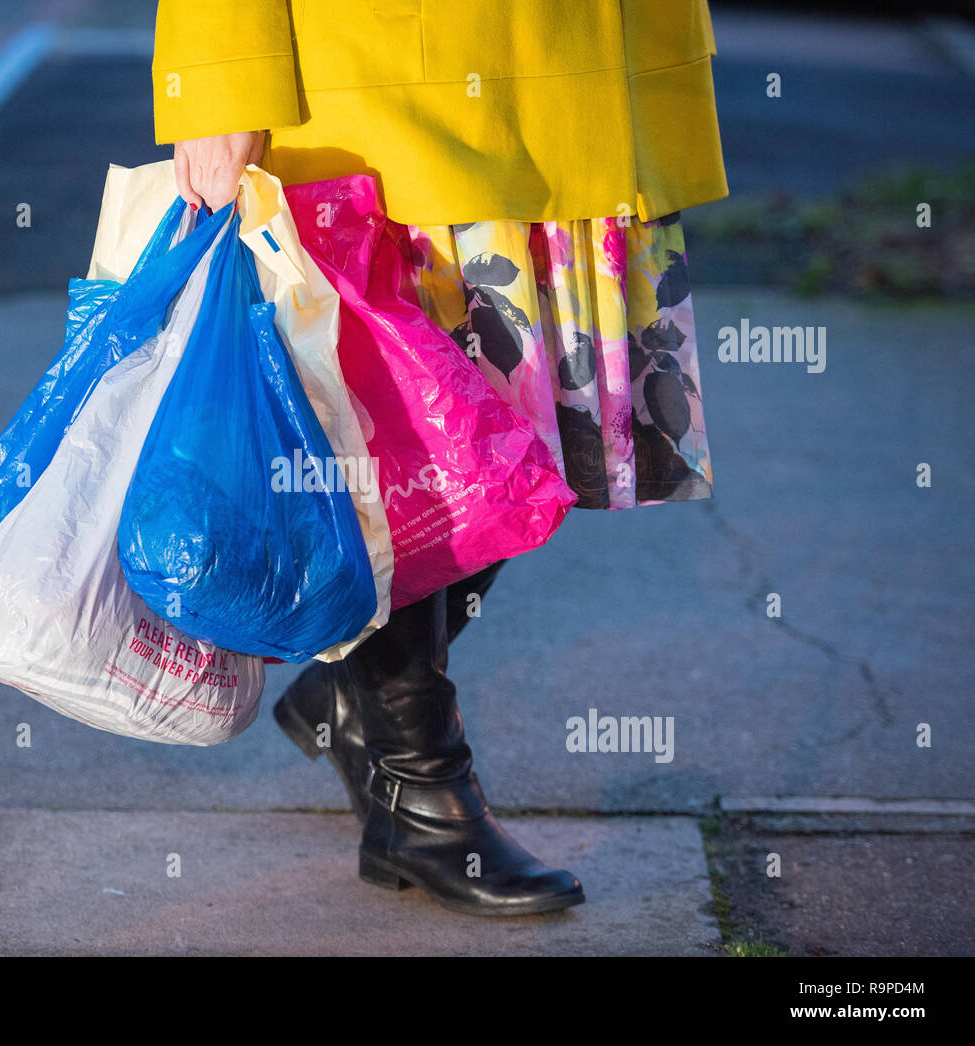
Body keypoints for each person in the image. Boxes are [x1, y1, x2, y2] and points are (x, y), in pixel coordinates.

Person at [152, 0, 727, 916]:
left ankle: (358, 698)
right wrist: (217, 76)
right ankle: (419, 792)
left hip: (582, 92)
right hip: (397, 103)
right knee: (411, 459)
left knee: (522, 461)